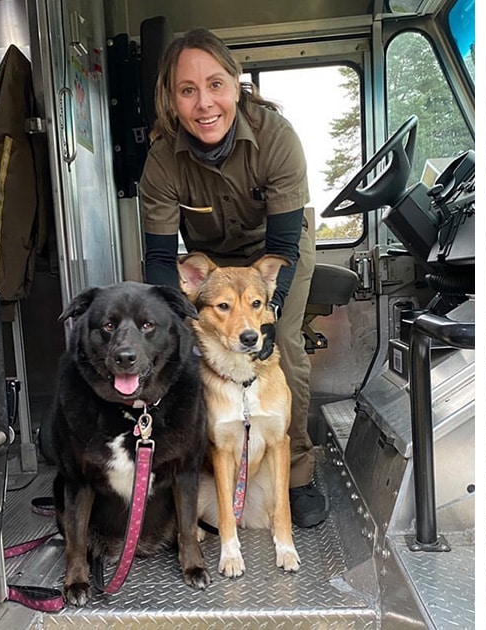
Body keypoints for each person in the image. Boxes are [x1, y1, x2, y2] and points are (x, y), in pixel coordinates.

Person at [139, 28, 327, 528]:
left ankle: (298, 471)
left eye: (215, 85)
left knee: (281, 342)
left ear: (235, 85)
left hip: (276, 254)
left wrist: (264, 319)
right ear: (172, 99)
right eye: (187, 90)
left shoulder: (276, 137)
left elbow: (283, 248)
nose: (205, 103)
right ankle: (197, 460)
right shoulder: (160, 161)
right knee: (188, 349)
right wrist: (176, 324)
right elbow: (158, 258)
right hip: (212, 262)